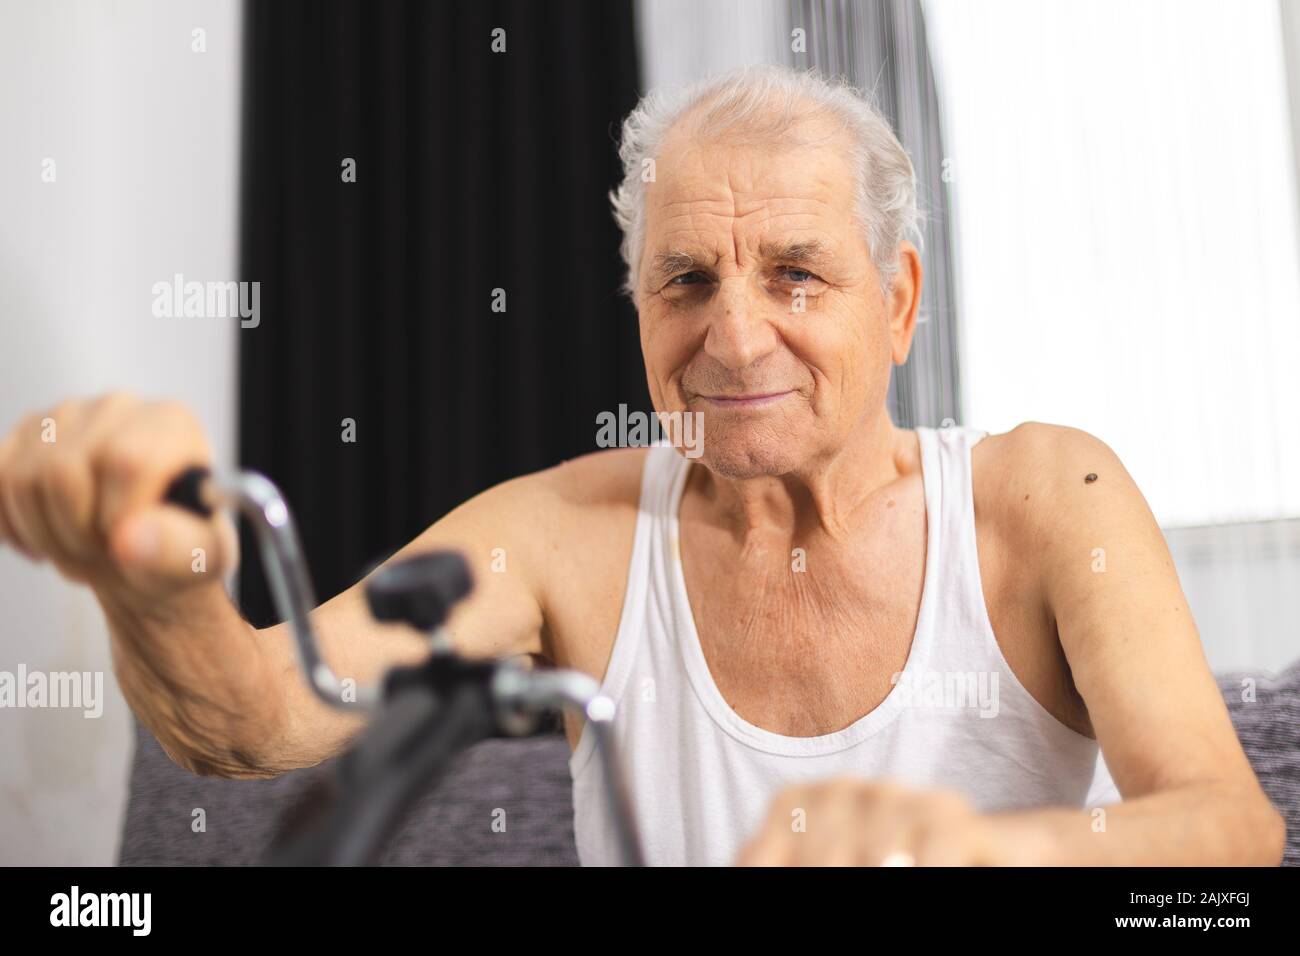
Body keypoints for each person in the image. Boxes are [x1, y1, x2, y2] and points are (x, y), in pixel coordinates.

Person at [0, 65, 1282, 866]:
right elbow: (256, 718)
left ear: (895, 302)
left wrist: (963, 856)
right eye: (685, 280)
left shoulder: (1054, 497)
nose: (732, 335)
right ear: (637, 313)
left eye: (794, 273)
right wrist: (154, 581)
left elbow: (1229, 833)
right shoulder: (566, 532)